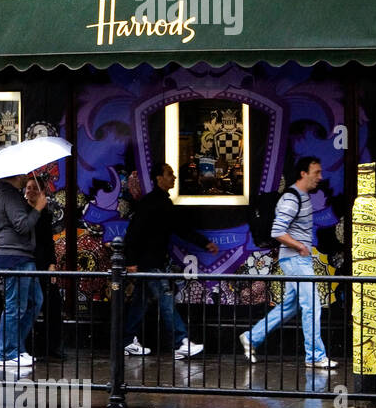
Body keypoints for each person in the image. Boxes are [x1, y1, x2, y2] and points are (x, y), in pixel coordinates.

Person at [240, 156, 337, 369]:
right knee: (312, 306)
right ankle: (315, 356)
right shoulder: (292, 198)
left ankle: (252, 337)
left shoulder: (300, 196)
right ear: (303, 173)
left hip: (298, 259)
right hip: (295, 259)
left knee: (291, 307)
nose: (320, 177)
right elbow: (277, 231)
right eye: (316, 173)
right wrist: (301, 247)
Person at [123, 162, 219, 359]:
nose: (173, 178)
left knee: (140, 302)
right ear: (159, 178)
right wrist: (131, 260)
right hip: (149, 263)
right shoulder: (151, 203)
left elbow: (179, 228)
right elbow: (133, 233)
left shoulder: (163, 203)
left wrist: (204, 243)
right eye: (169, 174)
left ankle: (126, 340)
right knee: (166, 300)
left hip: (151, 262)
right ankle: (180, 342)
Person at [0, 171, 46, 370]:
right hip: (15, 257)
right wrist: (38, 208)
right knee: (15, 306)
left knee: (34, 301)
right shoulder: (9, 195)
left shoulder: (10, 196)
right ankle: (7, 353)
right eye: (21, 174)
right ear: (13, 175)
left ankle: (17, 347)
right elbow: (22, 226)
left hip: (22, 255)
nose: (24, 177)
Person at [30, 188, 66, 360]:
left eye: (34, 188)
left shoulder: (44, 214)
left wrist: (52, 263)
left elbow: (48, 241)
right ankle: (30, 346)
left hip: (43, 263)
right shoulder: (23, 211)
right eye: (28, 188)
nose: (31, 191)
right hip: (28, 263)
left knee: (52, 303)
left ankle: (52, 346)